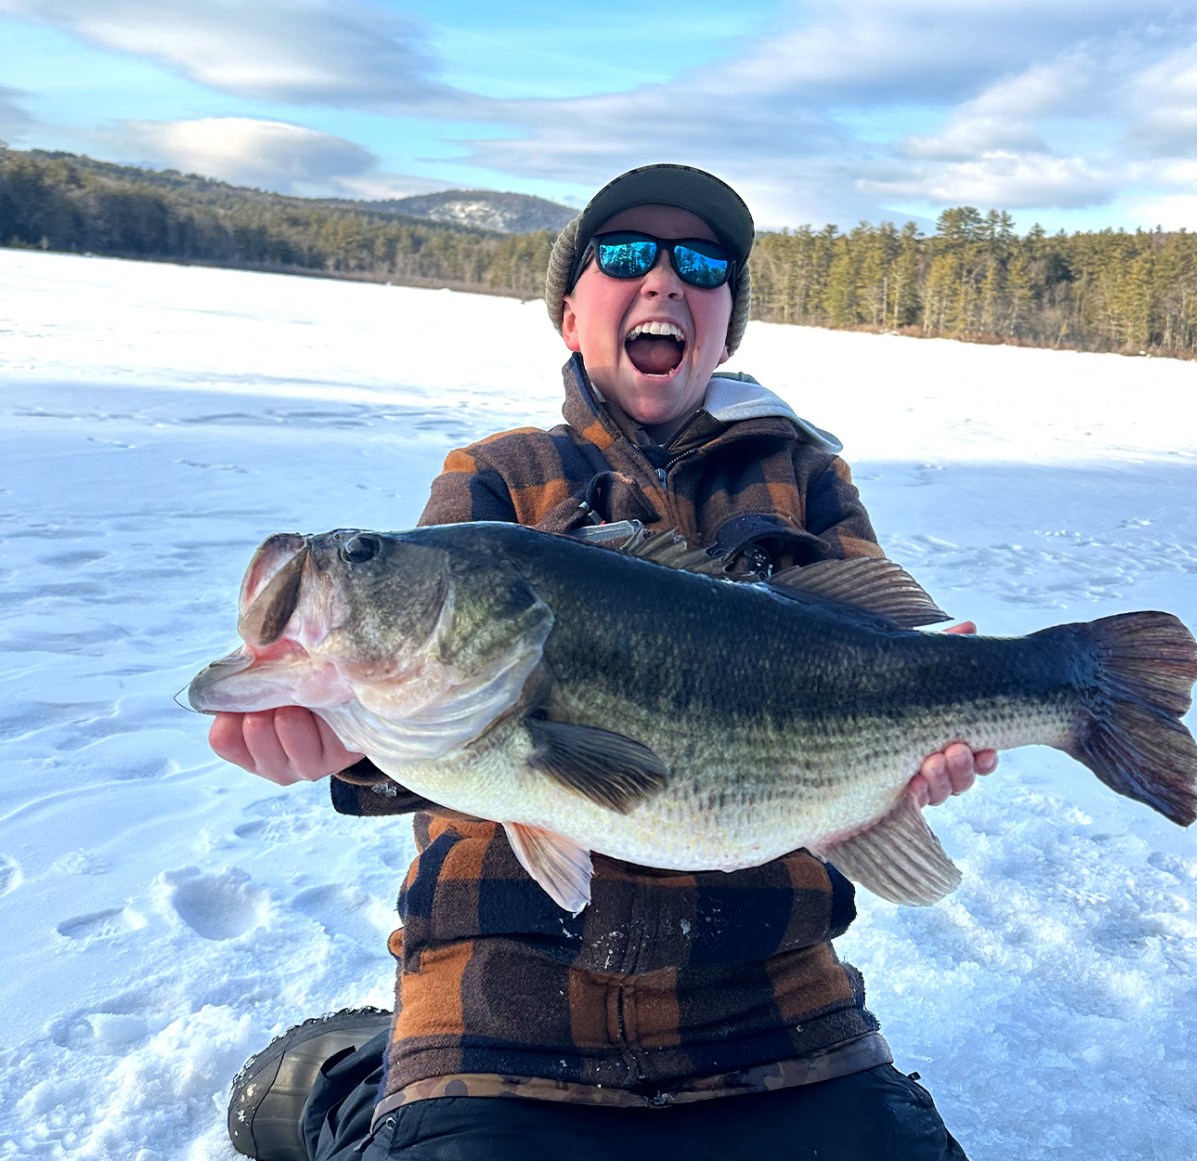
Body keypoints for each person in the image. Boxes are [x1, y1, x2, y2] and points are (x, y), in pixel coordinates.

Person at [210, 163, 996, 1161]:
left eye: (701, 263)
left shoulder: (804, 478)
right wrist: (336, 733)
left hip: (773, 1004)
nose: (664, 279)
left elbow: (878, 660)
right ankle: (347, 1083)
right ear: (571, 310)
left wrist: (921, 742)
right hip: (502, 1005)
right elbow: (434, 704)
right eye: (625, 256)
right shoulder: (496, 479)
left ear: (723, 323)